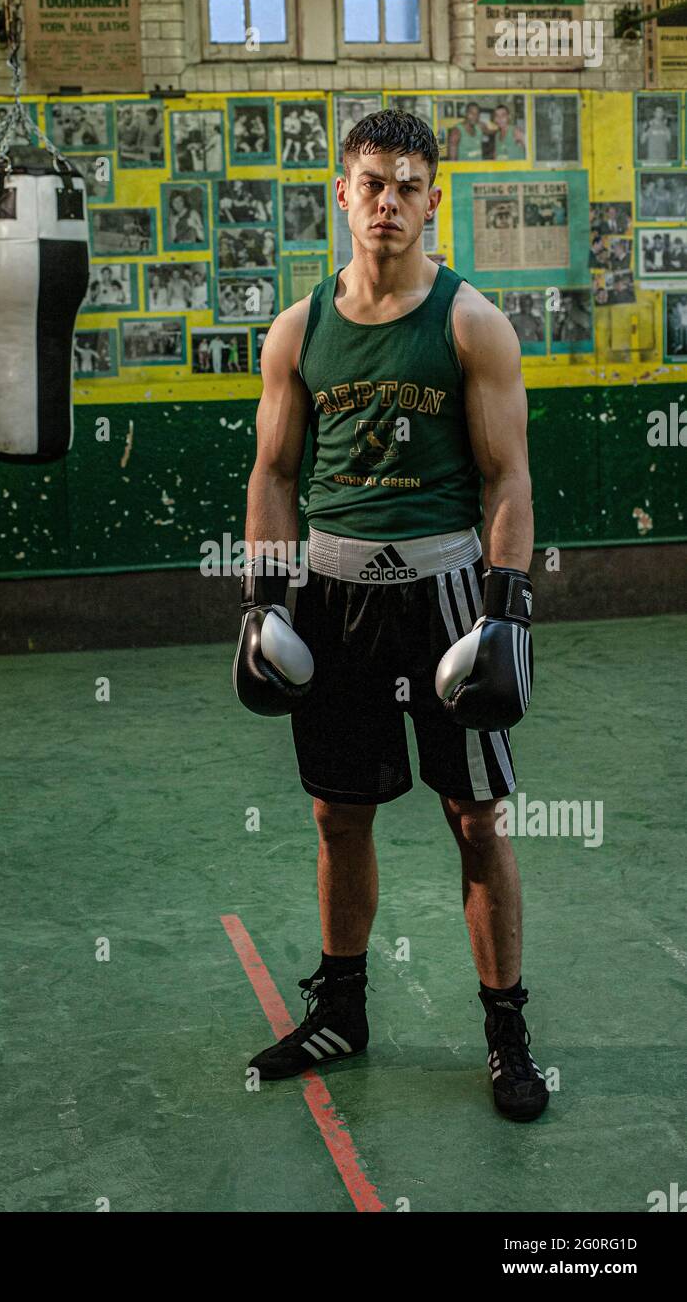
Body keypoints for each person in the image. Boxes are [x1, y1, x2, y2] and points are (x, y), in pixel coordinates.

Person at [233, 109, 546, 1122]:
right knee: (338, 811)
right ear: (340, 192)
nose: (387, 203)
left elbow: (507, 477)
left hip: (445, 594)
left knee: (474, 817)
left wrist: (506, 613)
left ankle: (504, 1031)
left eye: (408, 186)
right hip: (331, 597)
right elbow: (273, 471)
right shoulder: (298, 329)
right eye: (370, 183)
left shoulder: (469, 323)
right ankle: (340, 1009)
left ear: (432, 200)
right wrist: (262, 602)